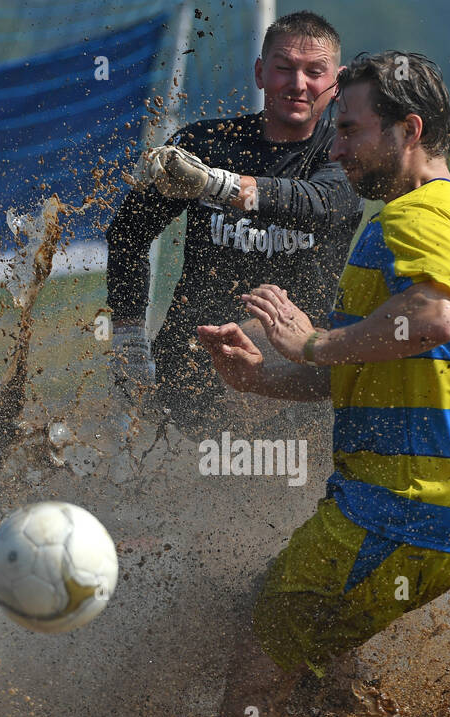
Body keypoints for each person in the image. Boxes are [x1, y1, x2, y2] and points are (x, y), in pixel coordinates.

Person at [196, 51, 450, 717]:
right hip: (448, 504)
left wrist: (310, 342)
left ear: (410, 130)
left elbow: (433, 321)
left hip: (404, 504)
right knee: (313, 645)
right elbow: (390, 358)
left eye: (351, 131)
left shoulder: (417, 214)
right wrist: (268, 377)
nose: (335, 150)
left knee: (261, 634)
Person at [106, 10, 363, 436]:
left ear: (336, 83)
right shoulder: (202, 146)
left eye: (314, 72)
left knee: (279, 491)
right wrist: (129, 336)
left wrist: (220, 185)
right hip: (188, 367)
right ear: (261, 73)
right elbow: (128, 232)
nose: (298, 84)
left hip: (300, 377)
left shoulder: (343, 152)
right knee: (179, 494)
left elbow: (325, 203)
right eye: (284, 68)